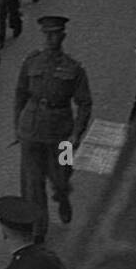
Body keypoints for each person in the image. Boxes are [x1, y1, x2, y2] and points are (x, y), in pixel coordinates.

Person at [14, 14, 93, 243]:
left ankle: (63, 196)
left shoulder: (74, 68)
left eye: (55, 34)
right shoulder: (32, 62)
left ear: (63, 36)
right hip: (31, 130)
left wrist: (77, 134)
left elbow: (85, 103)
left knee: (63, 175)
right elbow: (20, 93)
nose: (50, 38)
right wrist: (16, 127)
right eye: (47, 34)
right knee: (32, 183)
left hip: (63, 136)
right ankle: (38, 231)